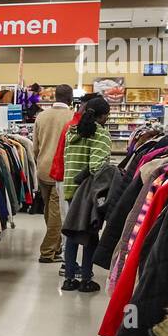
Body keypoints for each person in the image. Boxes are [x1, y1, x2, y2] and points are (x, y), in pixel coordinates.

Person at [61, 95, 112, 293]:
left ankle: (69, 278)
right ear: (103, 116)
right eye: (107, 115)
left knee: (73, 231)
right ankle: (86, 280)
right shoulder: (100, 134)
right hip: (89, 191)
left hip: (70, 189)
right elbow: (96, 166)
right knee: (90, 233)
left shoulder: (71, 131)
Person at [32, 83, 74, 264]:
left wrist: (38, 161)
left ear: (55, 97)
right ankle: (47, 251)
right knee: (56, 211)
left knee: (49, 210)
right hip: (61, 170)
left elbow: (35, 145)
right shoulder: (73, 117)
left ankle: (55, 247)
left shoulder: (41, 116)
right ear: (70, 99)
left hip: (42, 168)